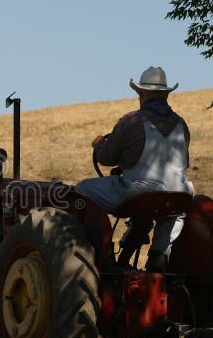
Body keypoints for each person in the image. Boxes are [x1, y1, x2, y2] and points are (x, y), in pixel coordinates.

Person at [76, 66, 193, 272]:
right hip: (179, 192)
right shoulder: (181, 124)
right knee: (174, 211)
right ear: (165, 94)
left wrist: (99, 145)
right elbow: (184, 162)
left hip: (139, 191)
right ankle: (159, 254)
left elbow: (106, 159)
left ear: (141, 93)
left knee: (83, 189)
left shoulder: (131, 121)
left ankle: (103, 251)